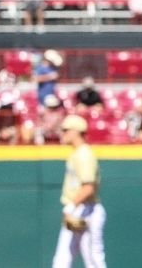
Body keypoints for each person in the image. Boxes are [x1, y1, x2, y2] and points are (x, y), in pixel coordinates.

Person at [52, 114, 106, 268]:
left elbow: (89, 187)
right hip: (78, 209)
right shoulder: (77, 153)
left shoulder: (84, 154)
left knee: (93, 260)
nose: (62, 133)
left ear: (76, 131)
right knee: (62, 260)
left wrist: (71, 206)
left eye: (66, 130)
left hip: (87, 210)